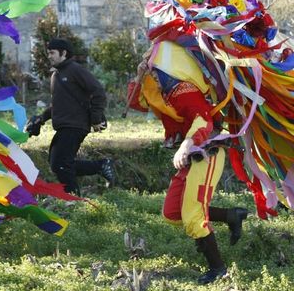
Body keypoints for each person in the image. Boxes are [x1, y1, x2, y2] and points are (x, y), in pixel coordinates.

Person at [134, 47, 247, 285]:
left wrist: (186, 144)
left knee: (194, 217)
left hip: (206, 153)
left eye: (152, 68)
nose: (149, 73)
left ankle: (218, 269)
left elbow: (203, 119)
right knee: (172, 214)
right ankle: (231, 215)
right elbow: (140, 101)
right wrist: (139, 74)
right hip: (193, 155)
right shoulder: (165, 91)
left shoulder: (184, 89)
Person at [25, 38, 115, 195]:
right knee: (57, 164)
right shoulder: (56, 76)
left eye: (52, 53)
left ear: (64, 53)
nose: (49, 56)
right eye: (48, 53)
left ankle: (73, 199)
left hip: (76, 125)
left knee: (61, 164)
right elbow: (57, 105)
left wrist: (95, 117)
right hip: (65, 125)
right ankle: (101, 166)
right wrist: (41, 118)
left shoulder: (75, 70)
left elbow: (98, 91)